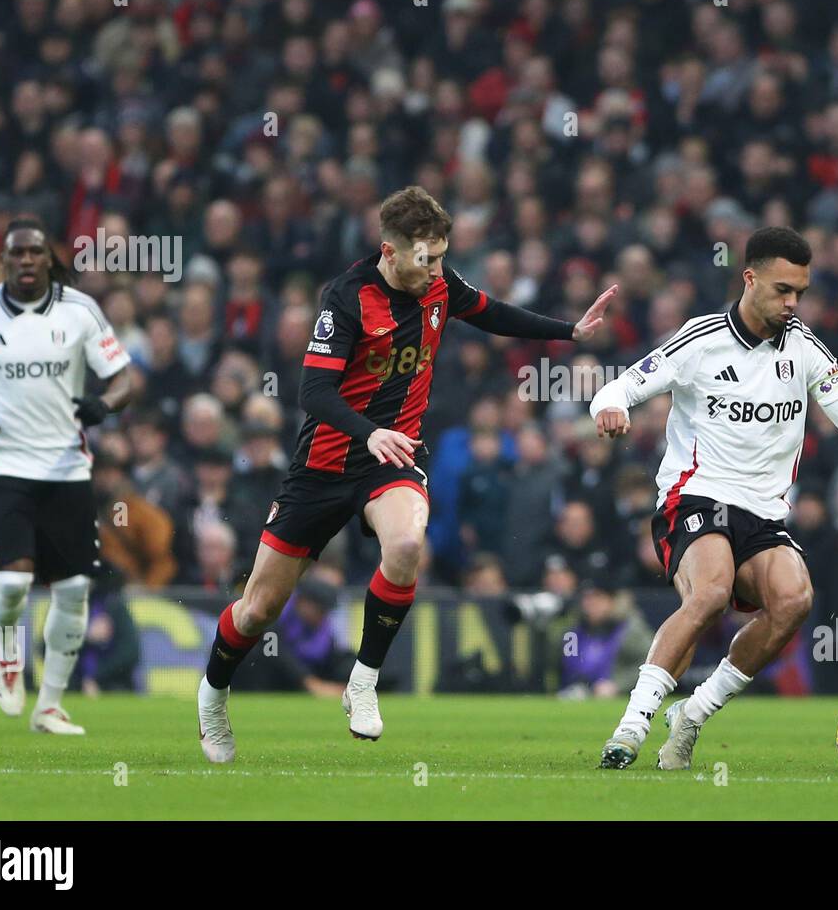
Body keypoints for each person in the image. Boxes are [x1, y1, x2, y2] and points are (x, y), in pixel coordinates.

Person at [196, 186, 616, 762]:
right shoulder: (345, 297)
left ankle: (363, 681)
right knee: (258, 608)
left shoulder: (438, 283)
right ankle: (213, 696)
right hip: (323, 465)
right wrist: (368, 429)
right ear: (389, 251)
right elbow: (311, 391)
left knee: (405, 543)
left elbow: (491, 311)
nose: (438, 270)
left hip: (391, 459)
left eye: (442, 256)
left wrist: (570, 331)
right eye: (427, 259)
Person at [588, 226, 838, 769]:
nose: (792, 303)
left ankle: (692, 715)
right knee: (710, 594)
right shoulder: (700, 339)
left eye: (800, 291)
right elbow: (621, 387)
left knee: (795, 600)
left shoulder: (805, 349)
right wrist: (608, 408)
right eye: (783, 289)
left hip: (763, 513)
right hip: (695, 498)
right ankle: (631, 725)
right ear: (749, 278)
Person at [0, 217, 133, 734]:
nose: (24, 262)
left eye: (34, 253)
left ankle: (50, 705)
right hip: (4, 463)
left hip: (66, 465)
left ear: (47, 257)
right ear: (4, 261)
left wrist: (102, 406)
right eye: (15, 254)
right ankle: (8, 660)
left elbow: (123, 377)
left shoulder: (79, 311)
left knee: (74, 589)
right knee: (13, 579)